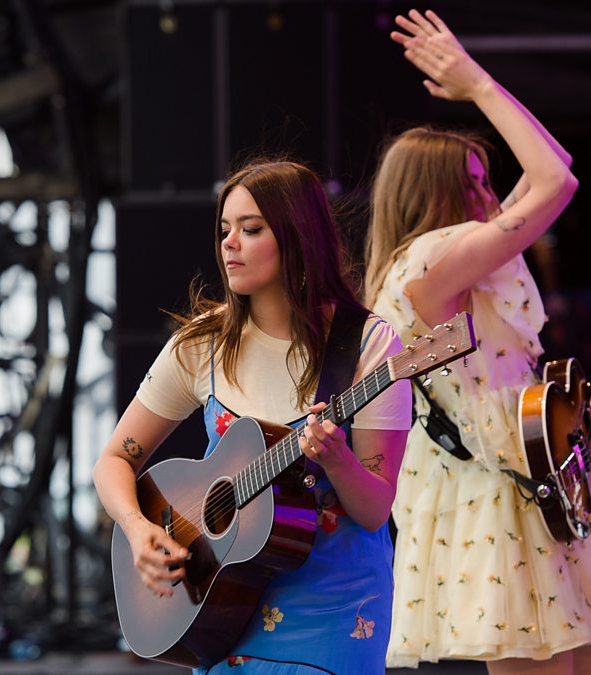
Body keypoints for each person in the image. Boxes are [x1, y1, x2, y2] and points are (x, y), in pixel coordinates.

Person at [365, 11, 591, 673]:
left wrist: (479, 88)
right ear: (439, 195)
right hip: (496, 490)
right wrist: (480, 86)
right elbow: (557, 181)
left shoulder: (448, 257)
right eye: (477, 181)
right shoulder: (436, 262)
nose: (494, 194)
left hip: (524, 482)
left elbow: (555, 165)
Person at [93, 160, 412, 673]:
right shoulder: (201, 345)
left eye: (251, 229)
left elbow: (375, 508)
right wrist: (136, 528)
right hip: (224, 609)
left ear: (299, 239)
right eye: (225, 230)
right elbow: (113, 460)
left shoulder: (368, 345)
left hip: (333, 609)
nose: (229, 244)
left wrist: (337, 462)